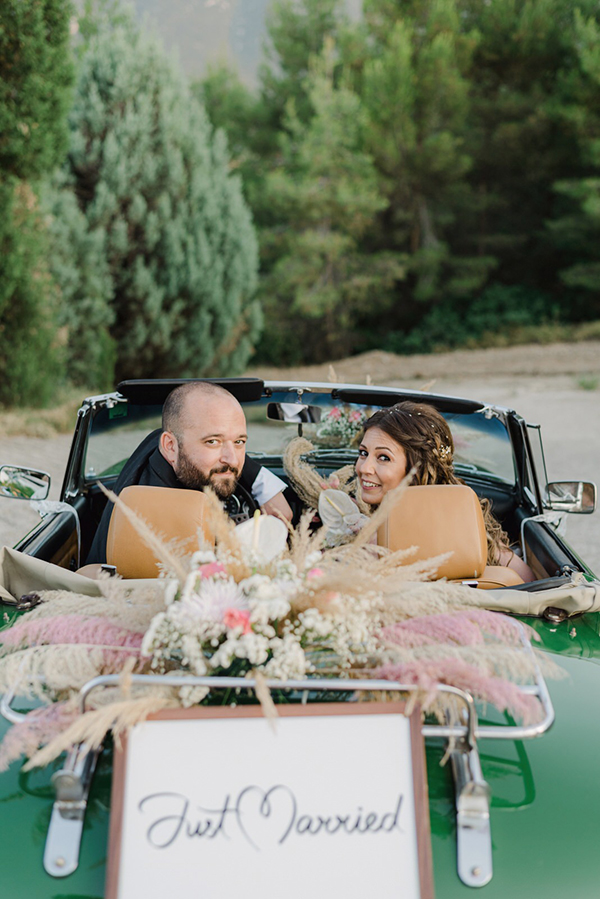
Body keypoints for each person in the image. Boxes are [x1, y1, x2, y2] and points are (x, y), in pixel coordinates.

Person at [86, 381, 293, 564]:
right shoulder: (155, 515)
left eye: (239, 442)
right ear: (170, 446)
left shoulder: (167, 443)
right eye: (213, 442)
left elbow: (222, 444)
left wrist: (266, 487)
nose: (231, 458)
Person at [355, 400, 535, 581]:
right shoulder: (469, 530)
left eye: (383, 457)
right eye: (363, 453)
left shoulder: (375, 543)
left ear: (417, 469)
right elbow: (528, 583)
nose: (364, 468)